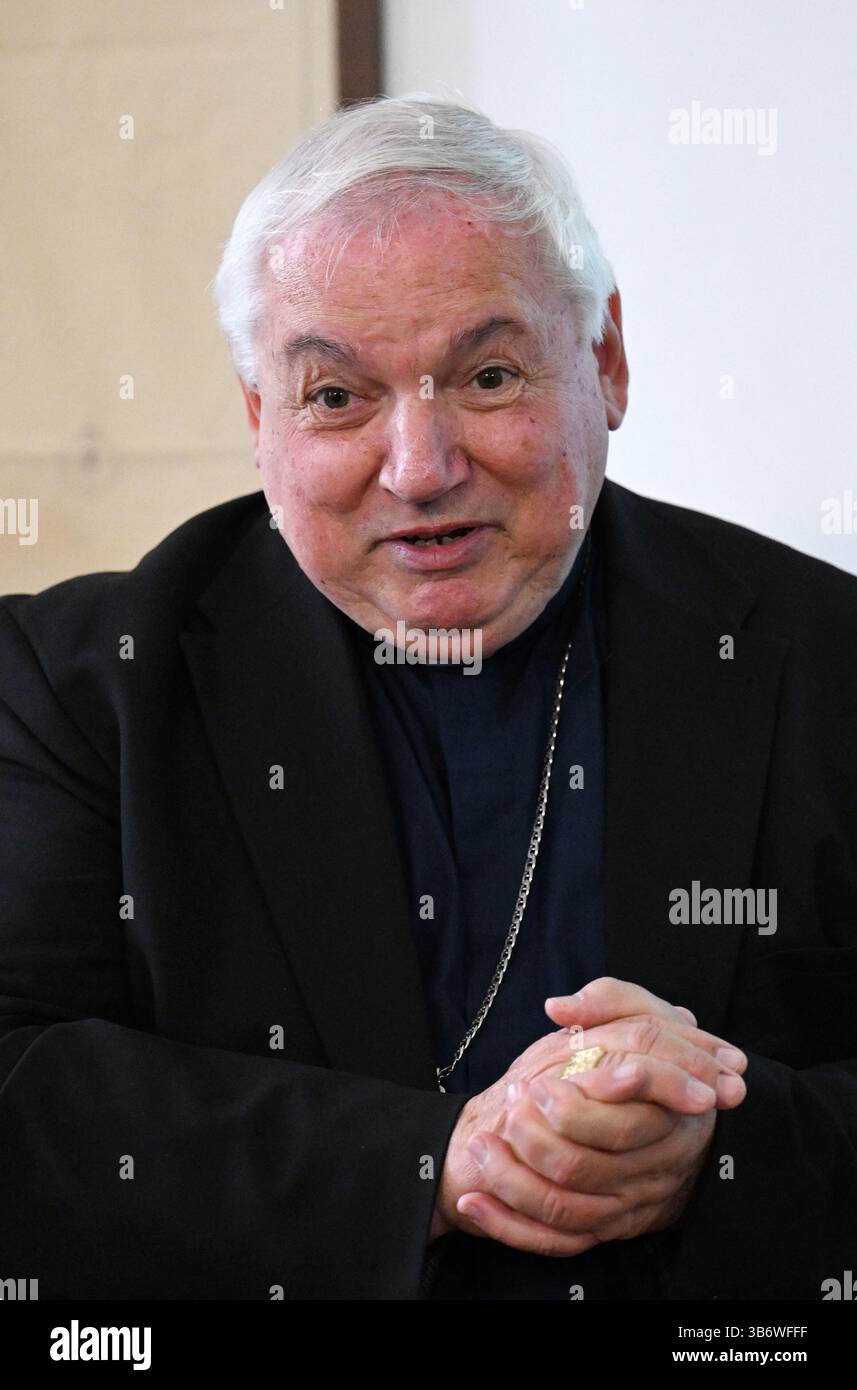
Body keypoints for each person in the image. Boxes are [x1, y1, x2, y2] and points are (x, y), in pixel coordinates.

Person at [0, 97, 855, 1301]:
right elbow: (21, 1095)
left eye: (488, 374)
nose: (419, 467)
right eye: (337, 397)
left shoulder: (823, 656)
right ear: (260, 418)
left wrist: (727, 1142)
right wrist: (432, 1163)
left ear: (604, 360)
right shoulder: (74, 685)